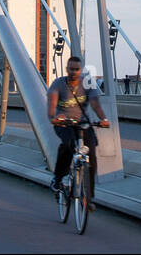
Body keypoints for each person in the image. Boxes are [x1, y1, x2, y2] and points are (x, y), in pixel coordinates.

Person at [47, 56, 110, 204]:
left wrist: (103, 119)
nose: (74, 72)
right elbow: (51, 106)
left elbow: (95, 104)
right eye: (71, 69)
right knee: (68, 145)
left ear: (80, 70)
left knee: (92, 155)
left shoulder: (87, 84)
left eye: (77, 69)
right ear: (67, 69)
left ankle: (89, 197)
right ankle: (58, 179)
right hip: (64, 123)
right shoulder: (58, 84)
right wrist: (53, 118)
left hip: (82, 123)